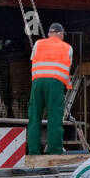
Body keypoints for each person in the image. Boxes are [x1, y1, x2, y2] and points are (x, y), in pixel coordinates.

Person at [28, 23, 72, 154]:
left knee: (34, 116)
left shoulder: (38, 44)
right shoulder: (67, 47)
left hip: (37, 82)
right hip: (55, 83)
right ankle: (54, 150)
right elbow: (68, 65)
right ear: (60, 33)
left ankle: (34, 151)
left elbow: (33, 59)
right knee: (54, 117)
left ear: (49, 34)